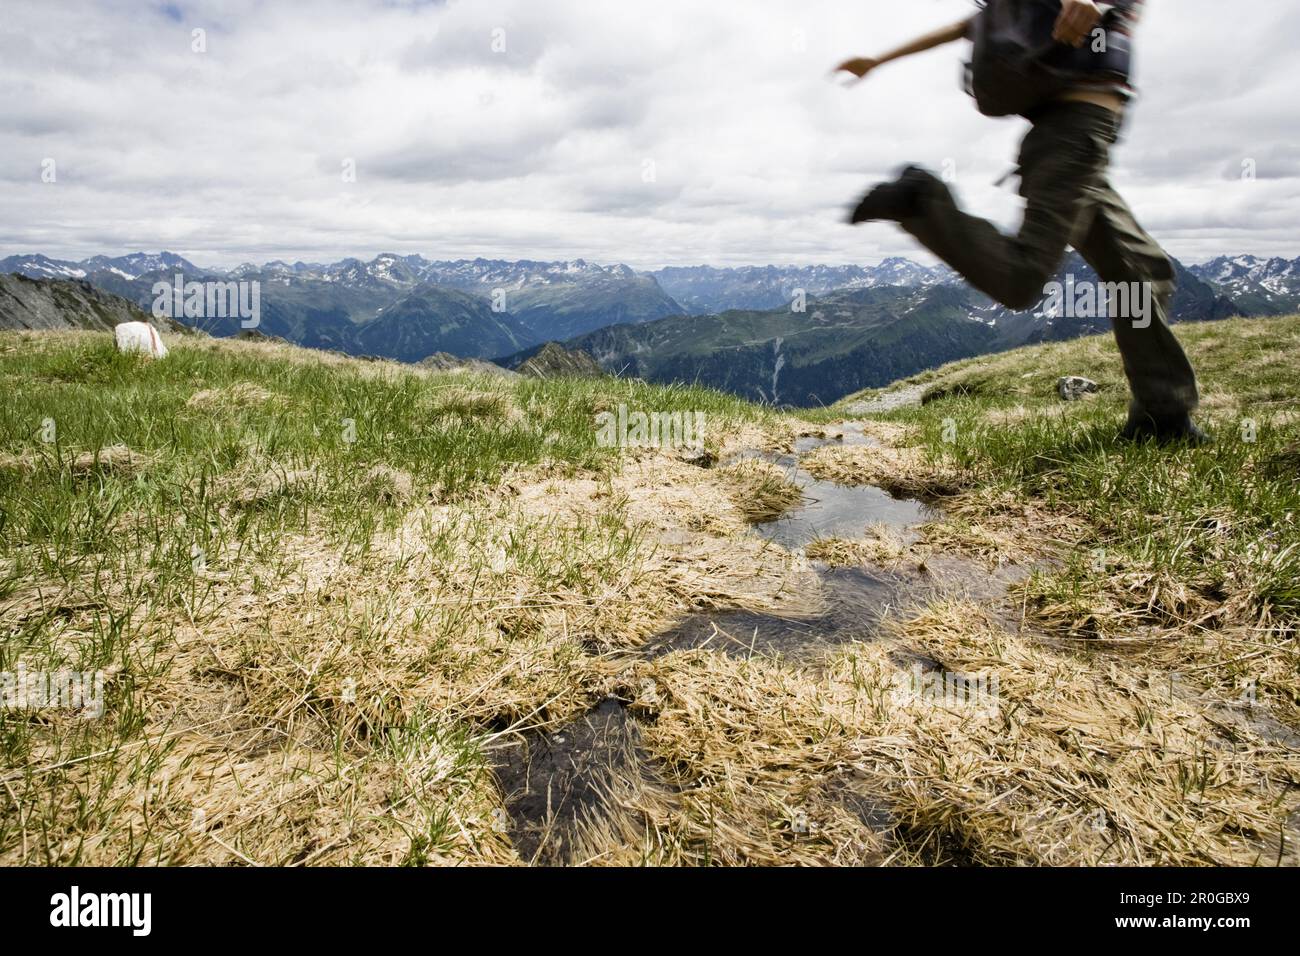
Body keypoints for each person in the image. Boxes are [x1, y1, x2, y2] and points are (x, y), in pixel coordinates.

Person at [837, 0, 1208, 444]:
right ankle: (922, 203)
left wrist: (878, 60)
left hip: (1073, 142)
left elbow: (965, 26)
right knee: (1022, 279)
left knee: (1142, 272)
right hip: (1073, 140)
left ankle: (1161, 418)